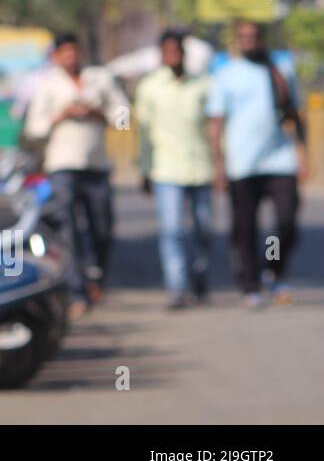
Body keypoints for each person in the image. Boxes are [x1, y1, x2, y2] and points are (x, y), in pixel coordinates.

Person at [22, 32, 128, 315]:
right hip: (62, 166)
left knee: (102, 227)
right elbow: (34, 128)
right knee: (67, 227)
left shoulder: (100, 79)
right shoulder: (48, 84)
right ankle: (77, 291)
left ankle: (96, 278)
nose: (71, 57)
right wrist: (61, 114)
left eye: (74, 51)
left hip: (96, 165)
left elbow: (124, 115)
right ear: (56, 56)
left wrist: (99, 112)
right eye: (64, 52)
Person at [206, 20, 308, 310]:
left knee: (286, 221)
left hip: (280, 158)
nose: (249, 41)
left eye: (254, 36)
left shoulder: (281, 71)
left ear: (262, 39)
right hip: (242, 163)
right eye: (244, 37)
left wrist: (304, 154)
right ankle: (250, 285)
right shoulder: (226, 75)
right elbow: (216, 122)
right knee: (245, 227)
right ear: (238, 40)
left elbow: (295, 115)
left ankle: (273, 270)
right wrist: (219, 163)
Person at [134, 30, 214, 310]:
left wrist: (221, 163)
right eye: (167, 52)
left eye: (176, 51)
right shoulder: (150, 87)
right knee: (172, 231)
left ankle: (200, 279)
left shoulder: (202, 85)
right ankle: (177, 287)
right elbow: (143, 133)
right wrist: (144, 169)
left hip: (200, 167)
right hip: (166, 170)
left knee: (203, 229)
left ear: (183, 53)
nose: (173, 56)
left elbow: (215, 126)